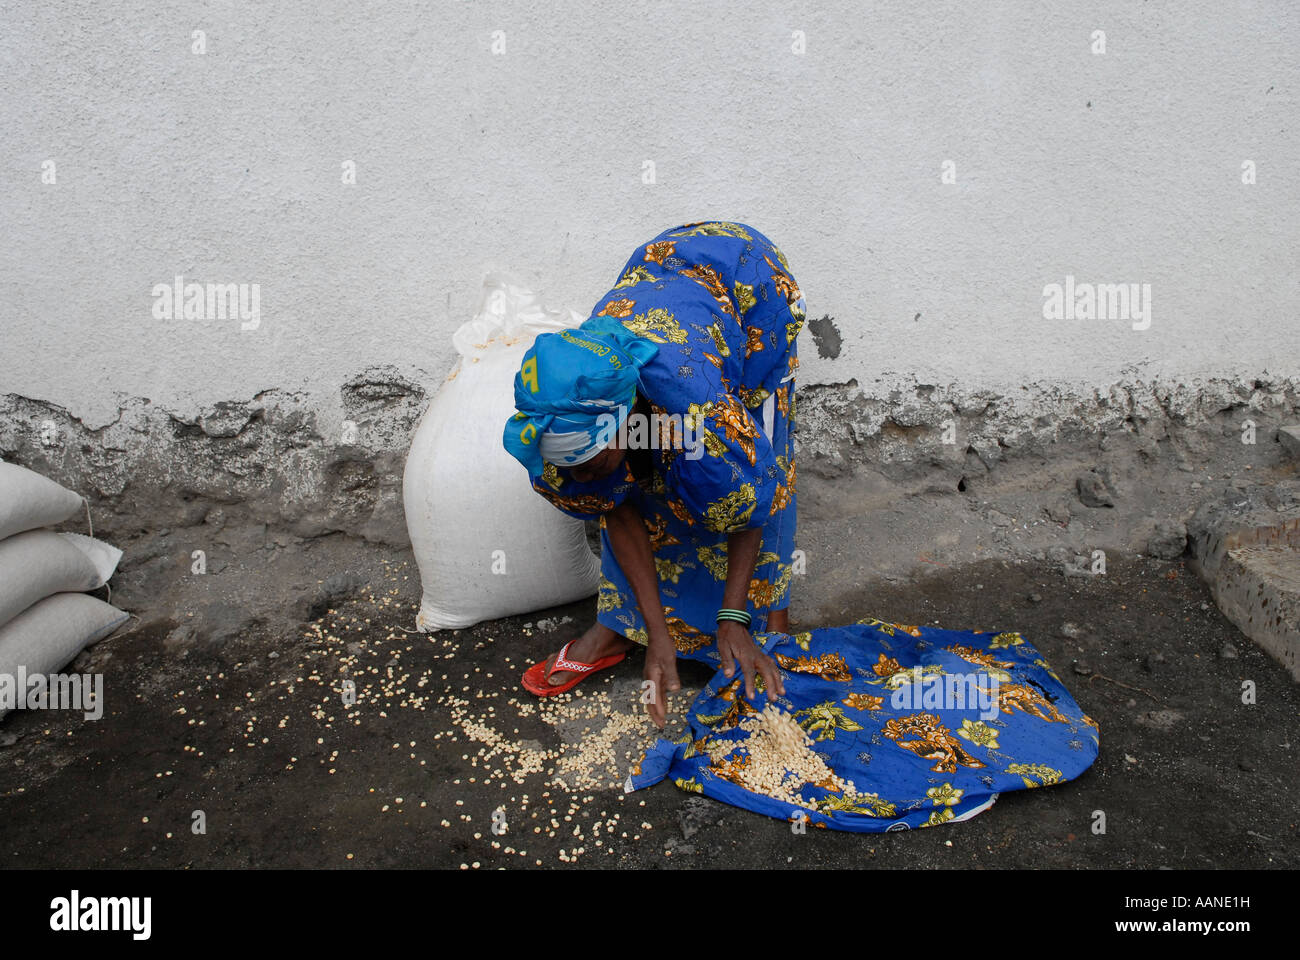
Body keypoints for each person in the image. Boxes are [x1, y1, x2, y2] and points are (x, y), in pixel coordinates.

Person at [502, 221, 805, 727]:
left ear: (624, 420)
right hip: (661, 269)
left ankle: (768, 619)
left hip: (750, 287)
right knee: (642, 477)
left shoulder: (700, 410)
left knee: (738, 465)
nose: (583, 471)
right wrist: (659, 640)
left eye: (594, 457)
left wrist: (731, 620)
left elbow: (751, 496)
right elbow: (613, 505)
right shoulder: (567, 400)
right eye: (571, 462)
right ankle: (621, 626)